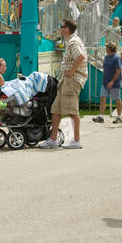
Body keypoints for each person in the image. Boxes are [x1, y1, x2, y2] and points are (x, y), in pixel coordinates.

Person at [39, 19, 87, 149]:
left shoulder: (73, 42)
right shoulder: (71, 41)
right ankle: (53, 139)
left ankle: (77, 140)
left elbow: (81, 56)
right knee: (56, 110)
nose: (60, 29)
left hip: (72, 80)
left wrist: (71, 71)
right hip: (66, 81)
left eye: (61, 26)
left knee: (72, 110)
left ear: (67, 28)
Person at [98, 43, 122, 123]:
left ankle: (119, 117)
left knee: (116, 99)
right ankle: (101, 116)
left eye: (107, 48)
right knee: (102, 98)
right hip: (105, 82)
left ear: (111, 49)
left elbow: (118, 70)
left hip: (114, 83)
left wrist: (112, 81)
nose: (106, 49)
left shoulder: (116, 58)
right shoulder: (106, 57)